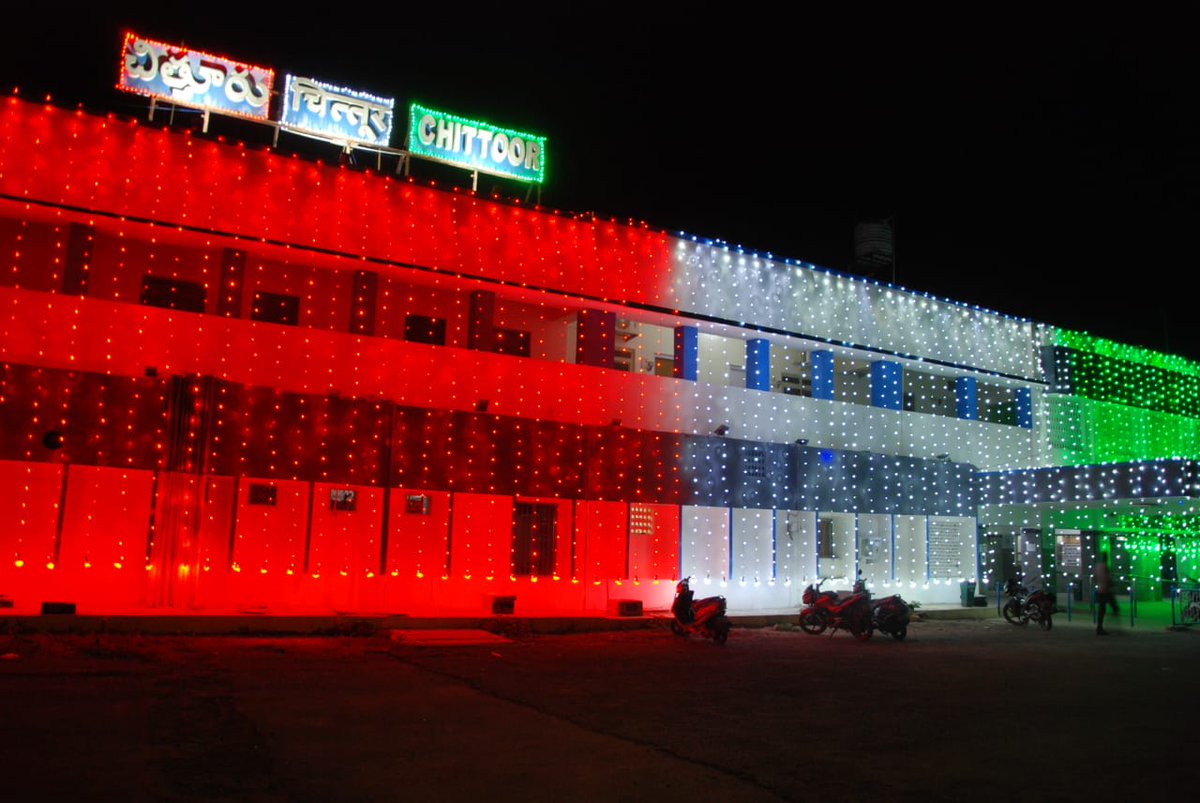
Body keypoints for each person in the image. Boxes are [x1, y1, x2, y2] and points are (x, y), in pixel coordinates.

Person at [1093, 551, 1119, 635]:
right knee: (1112, 607)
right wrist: (1112, 585)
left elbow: (1095, 577)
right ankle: (1107, 626)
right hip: (1105, 590)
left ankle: (1100, 627)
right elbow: (1108, 578)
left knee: (1102, 609)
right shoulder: (1105, 567)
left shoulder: (1097, 566)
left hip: (1100, 590)